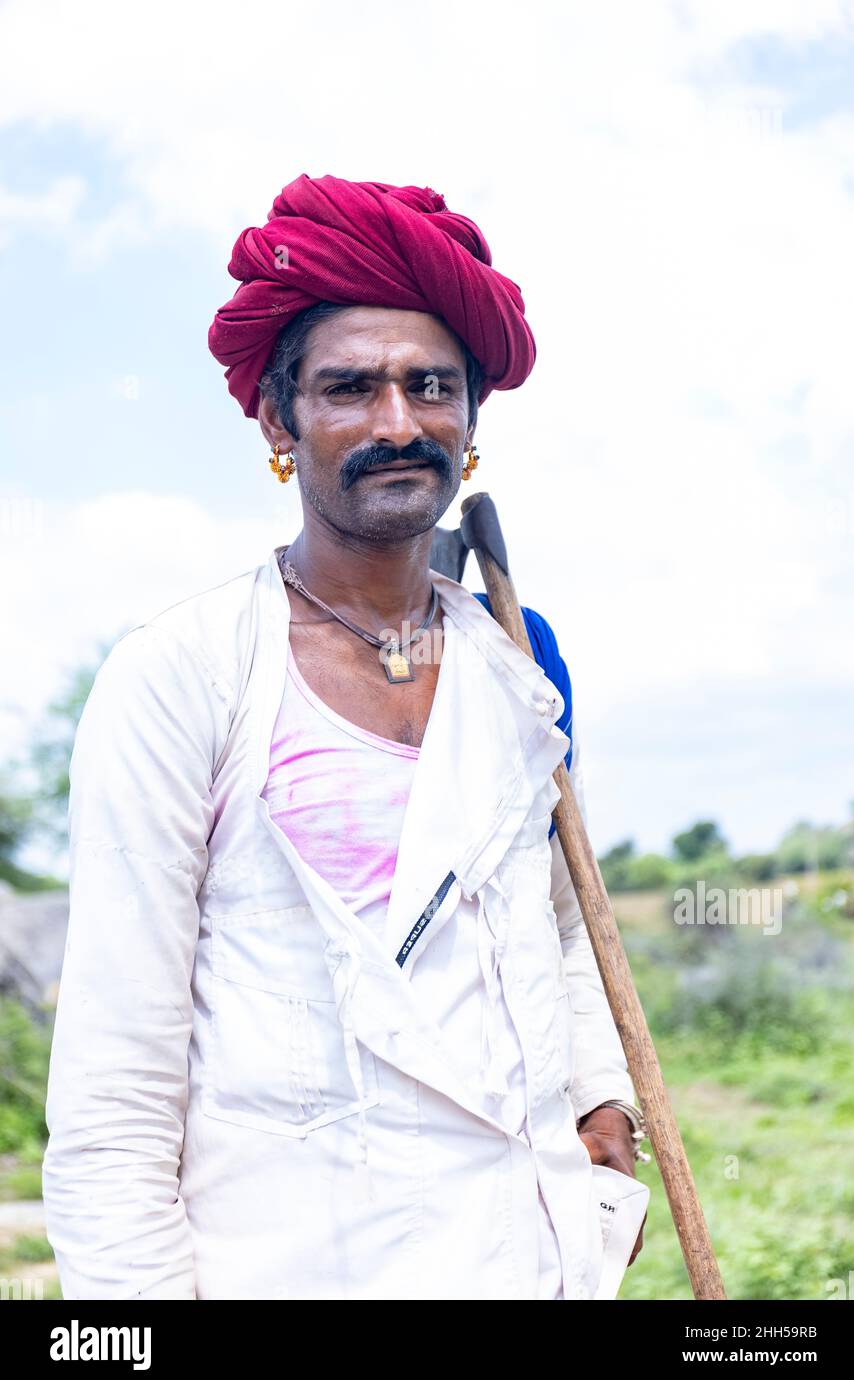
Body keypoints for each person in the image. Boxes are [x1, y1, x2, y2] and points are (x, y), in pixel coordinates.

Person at [42, 174, 645, 1300]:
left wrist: (600, 1109)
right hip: (292, 1263)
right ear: (279, 420)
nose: (398, 422)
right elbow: (116, 1083)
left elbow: (562, 924)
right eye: (350, 389)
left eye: (433, 387)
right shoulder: (182, 675)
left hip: (525, 1261)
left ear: (471, 424)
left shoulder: (518, 665)